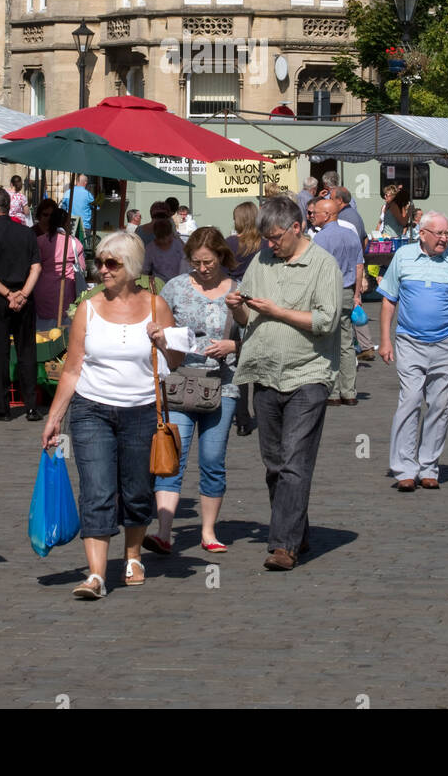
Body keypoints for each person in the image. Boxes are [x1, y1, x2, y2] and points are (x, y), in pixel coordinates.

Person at [41, 231, 190, 599]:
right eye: (100, 262)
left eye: (112, 263)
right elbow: (73, 368)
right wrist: (54, 416)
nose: (102, 270)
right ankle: (95, 575)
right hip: (92, 410)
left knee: (137, 490)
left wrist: (164, 341)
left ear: (132, 267)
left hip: (142, 410)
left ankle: (133, 555)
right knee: (96, 489)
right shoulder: (88, 308)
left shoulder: (157, 306)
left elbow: (175, 363)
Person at [227, 196, 341, 570]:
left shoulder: (322, 264)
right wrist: (236, 307)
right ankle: (297, 531)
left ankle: (283, 545)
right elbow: (247, 320)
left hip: (308, 373)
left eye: (275, 238)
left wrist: (278, 312)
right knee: (274, 463)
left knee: (294, 460)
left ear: (296, 228)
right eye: (266, 239)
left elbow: (326, 321)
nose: (270, 245)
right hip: (264, 372)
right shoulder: (261, 261)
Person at [145, 227, 240, 555]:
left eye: (208, 262)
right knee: (173, 457)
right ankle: (164, 532)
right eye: (196, 263)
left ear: (221, 257)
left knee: (213, 459)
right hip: (181, 382)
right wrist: (158, 334)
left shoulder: (236, 291)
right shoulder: (175, 288)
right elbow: (159, 325)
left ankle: (209, 531)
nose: (202, 269)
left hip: (222, 385)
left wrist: (232, 344)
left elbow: (254, 336)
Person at [378, 211, 448, 491]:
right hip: (410, 342)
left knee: (439, 406)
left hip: (447, 344)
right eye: (440, 234)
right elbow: (388, 301)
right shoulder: (404, 257)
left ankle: (429, 466)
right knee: (409, 401)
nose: (445, 238)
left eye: (447, 234)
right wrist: (385, 340)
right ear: (422, 234)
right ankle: (405, 469)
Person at [0, 187, 43, 423]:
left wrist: (7, 294)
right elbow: (37, 267)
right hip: (25, 298)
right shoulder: (27, 233)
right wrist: (22, 294)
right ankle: (32, 407)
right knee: (27, 352)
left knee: (0, 353)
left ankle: (2, 408)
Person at [311, 197, 365, 405]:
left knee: (328, 343)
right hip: (347, 292)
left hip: (327, 293)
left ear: (327, 215)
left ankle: (332, 392)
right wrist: (357, 293)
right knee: (346, 343)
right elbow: (359, 266)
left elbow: (316, 270)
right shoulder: (351, 235)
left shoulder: (320, 239)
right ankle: (349, 392)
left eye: (316, 213)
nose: (313, 216)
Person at [225, 202, 263, 436]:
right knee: (256, 359)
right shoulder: (265, 244)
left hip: (233, 300)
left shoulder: (229, 244)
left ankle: (241, 416)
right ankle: (260, 411)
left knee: (237, 360)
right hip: (257, 301)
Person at [34, 198, 86, 332]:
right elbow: (82, 269)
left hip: (42, 289)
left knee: (43, 331)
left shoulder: (39, 241)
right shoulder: (75, 243)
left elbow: (34, 266)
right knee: (64, 330)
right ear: (66, 223)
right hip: (66, 289)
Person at [142, 219, 186, 285]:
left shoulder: (178, 244)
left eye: (166, 237)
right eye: (161, 238)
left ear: (171, 234)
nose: (164, 241)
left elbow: (186, 262)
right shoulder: (150, 248)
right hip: (159, 284)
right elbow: (145, 269)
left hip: (178, 282)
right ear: (155, 235)